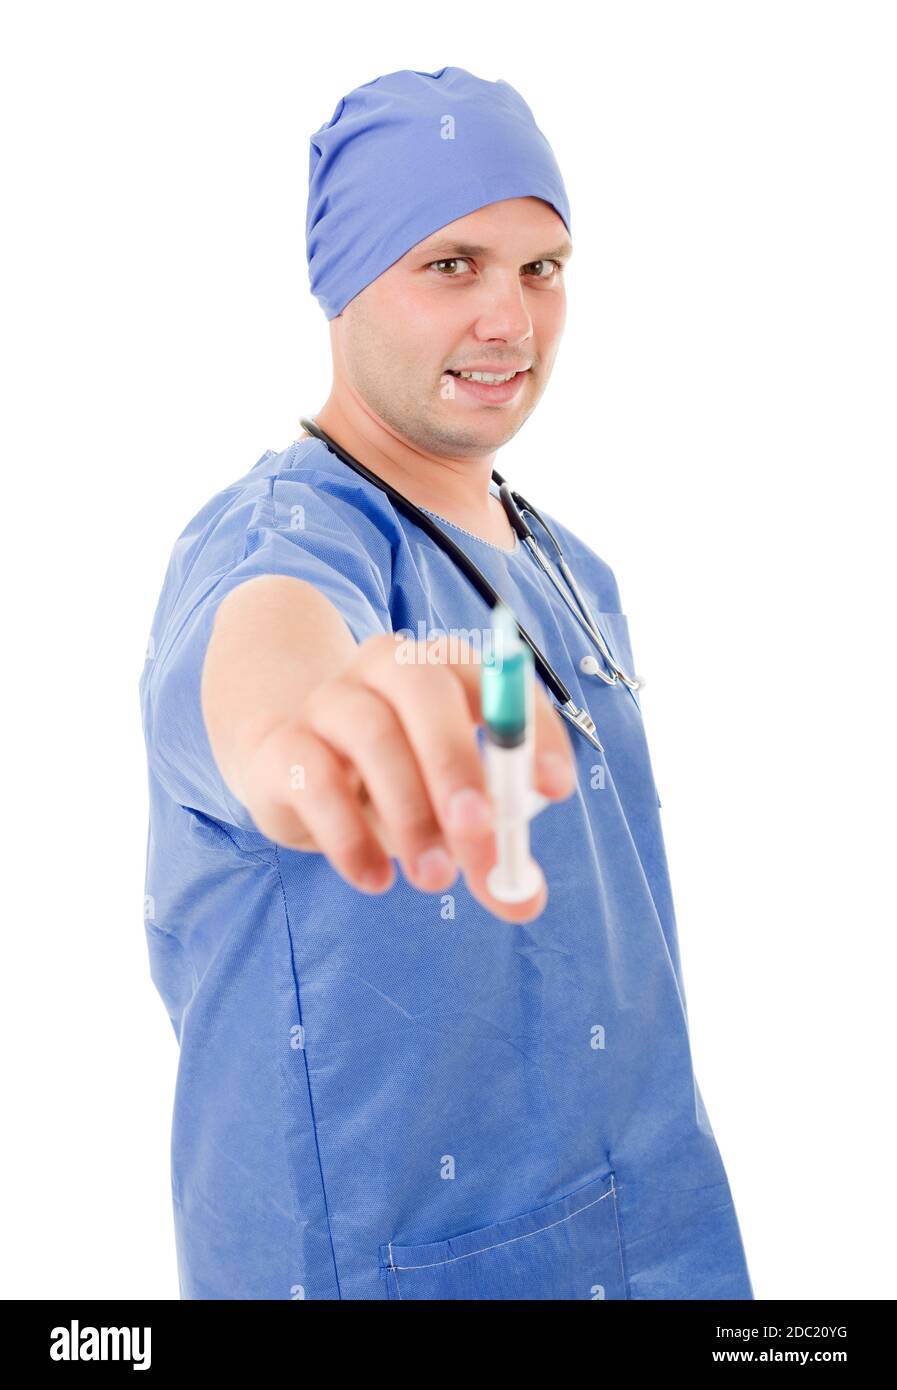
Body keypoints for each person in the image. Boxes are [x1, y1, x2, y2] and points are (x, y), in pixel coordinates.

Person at [139, 65, 754, 1301]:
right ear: (344, 282)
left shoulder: (565, 560)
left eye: (542, 267)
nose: (510, 319)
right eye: (451, 264)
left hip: (651, 1228)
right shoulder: (287, 535)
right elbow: (272, 669)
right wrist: (309, 730)